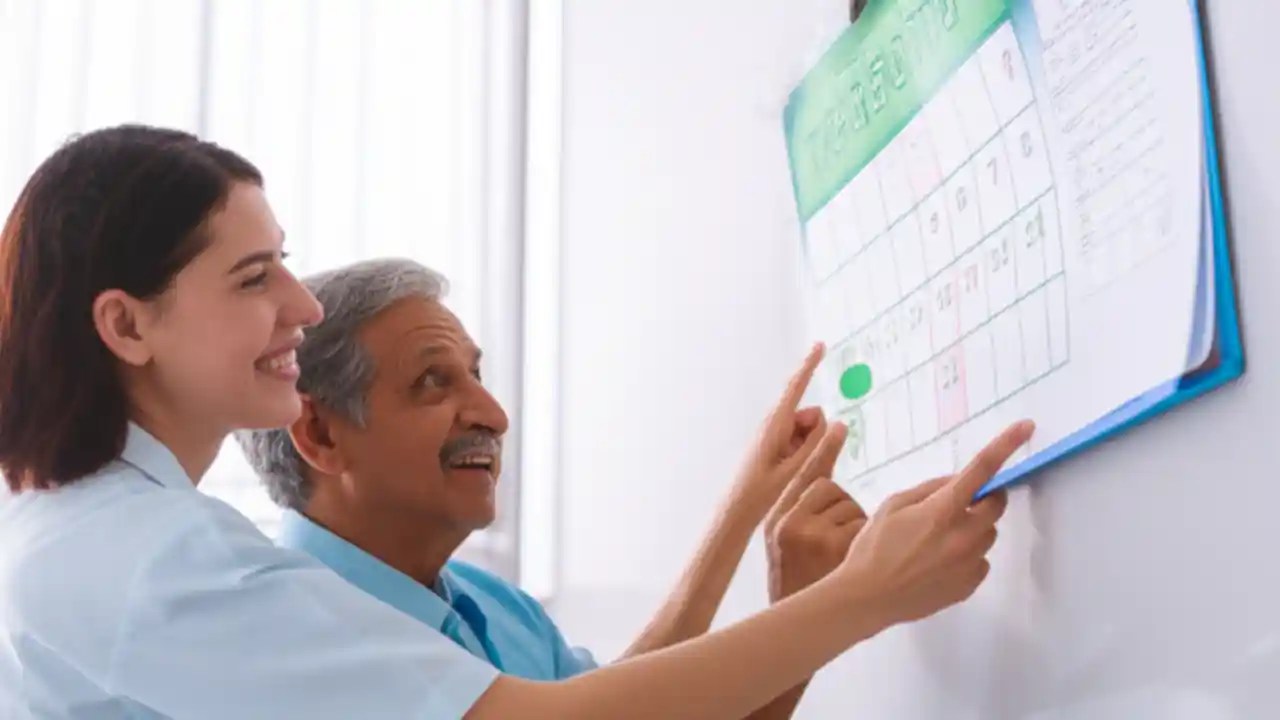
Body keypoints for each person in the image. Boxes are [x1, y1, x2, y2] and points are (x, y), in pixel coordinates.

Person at [0, 124, 1027, 719]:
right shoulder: (153, 562)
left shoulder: (117, 534)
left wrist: (784, 550)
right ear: (127, 325)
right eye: (254, 276)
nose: (300, 309)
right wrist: (865, 596)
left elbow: (605, 695)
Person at [236, 258, 871, 717]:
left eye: (475, 373)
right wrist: (852, 599)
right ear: (318, 432)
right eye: (433, 381)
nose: (493, 413)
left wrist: (747, 509)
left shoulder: (496, 606)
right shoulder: (286, 636)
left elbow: (639, 701)